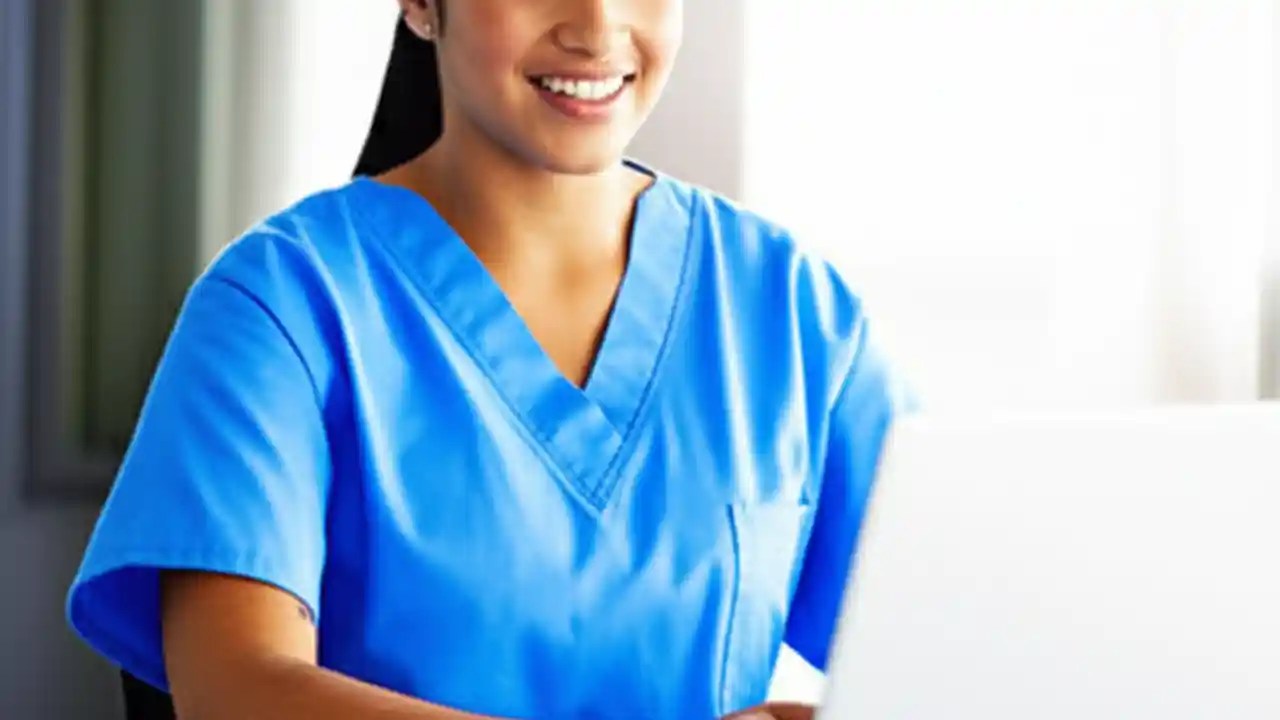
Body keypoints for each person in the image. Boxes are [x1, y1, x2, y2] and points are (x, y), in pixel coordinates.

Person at [66, 1, 913, 718]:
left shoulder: (789, 306)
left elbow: (954, 625)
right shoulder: (282, 302)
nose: (597, 26)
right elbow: (236, 688)